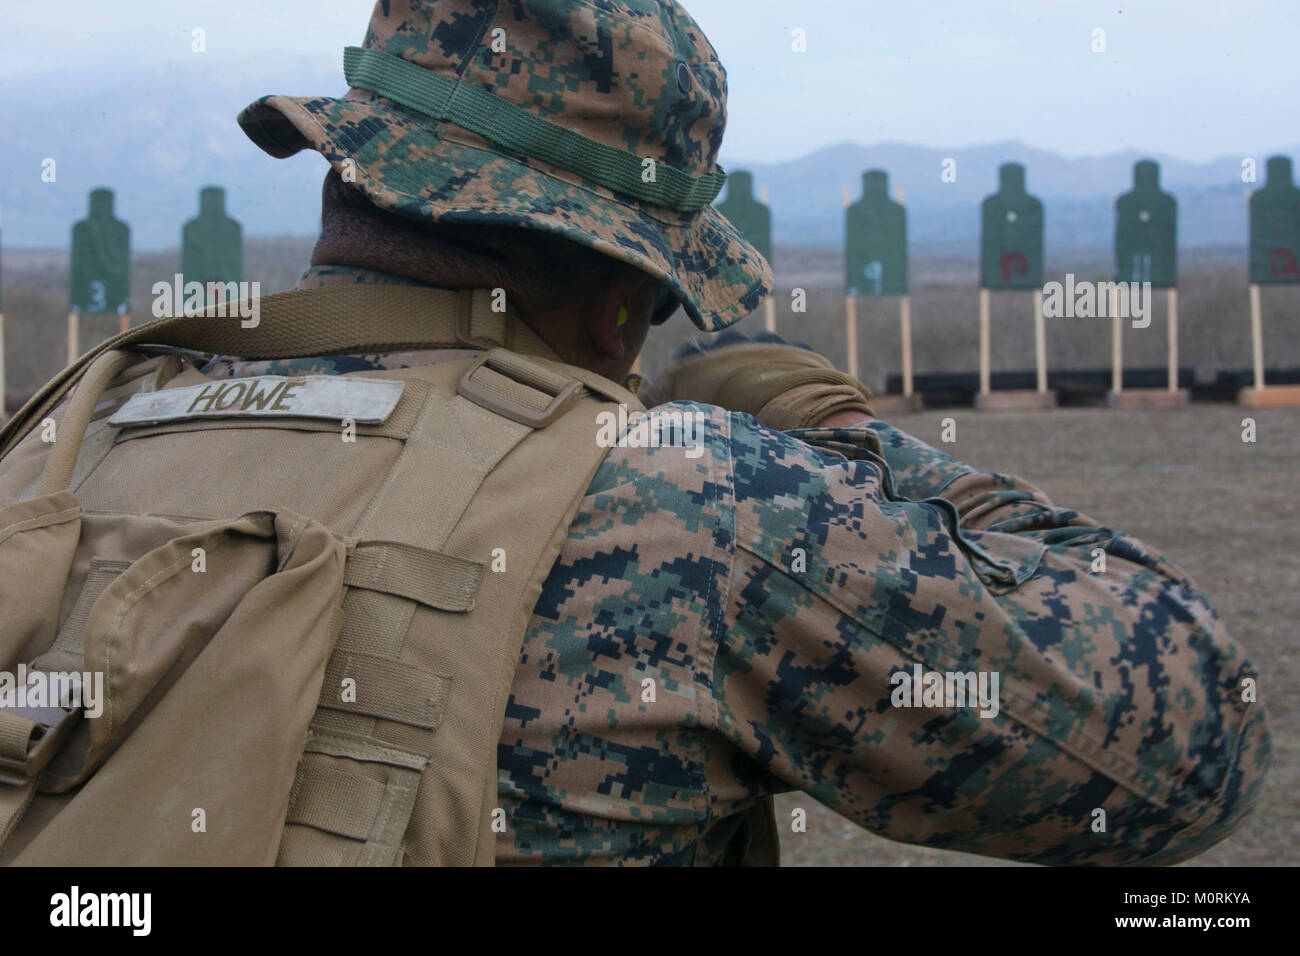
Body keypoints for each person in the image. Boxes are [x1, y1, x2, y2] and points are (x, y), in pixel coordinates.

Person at [1, 0, 1269, 866]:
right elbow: (1196, 733)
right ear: (621, 299)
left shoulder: (57, 439)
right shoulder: (677, 502)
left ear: (347, 175)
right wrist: (836, 435)